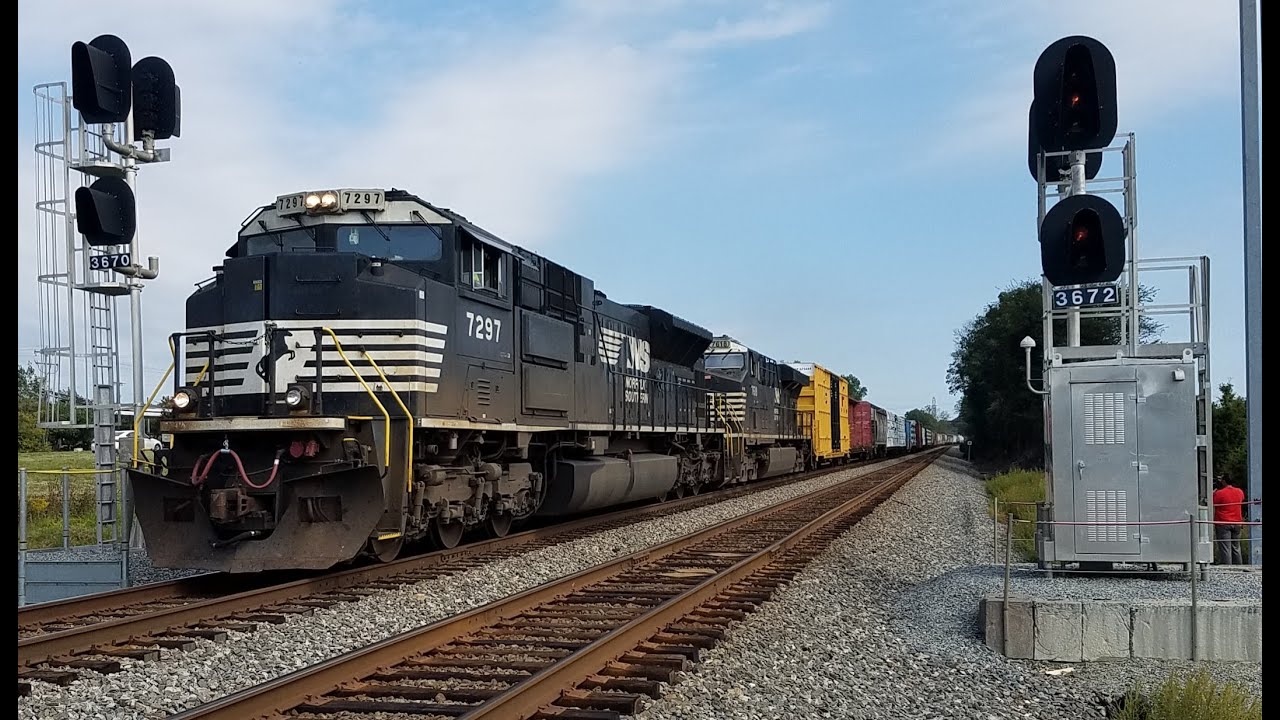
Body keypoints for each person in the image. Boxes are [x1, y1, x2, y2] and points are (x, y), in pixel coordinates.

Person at [1212, 475, 1246, 565]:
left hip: (1223, 522)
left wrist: (1214, 491)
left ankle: (1227, 566)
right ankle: (1238, 566)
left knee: (1225, 547)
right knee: (1236, 547)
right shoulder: (1239, 491)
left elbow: (1212, 501)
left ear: (1223, 481)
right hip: (1237, 521)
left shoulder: (1219, 493)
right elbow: (1242, 499)